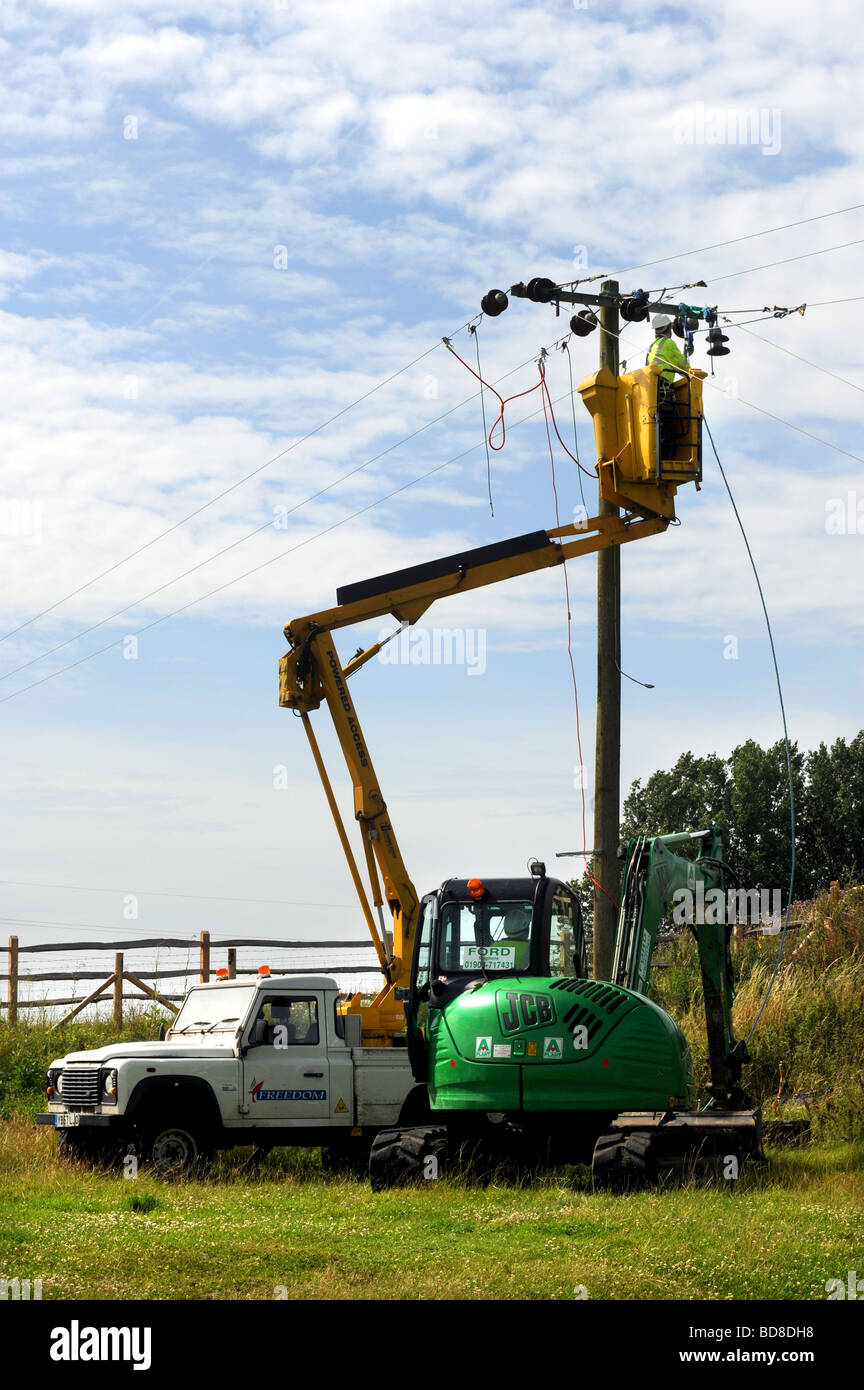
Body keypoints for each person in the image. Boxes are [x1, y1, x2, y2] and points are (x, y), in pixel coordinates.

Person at [647, 314, 689, 456]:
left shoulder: (652, 346)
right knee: (670, 422)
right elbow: (683, 367)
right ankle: (667, 454)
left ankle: (657, 451)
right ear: (669, 329)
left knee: (658, 423)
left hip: (651, 389)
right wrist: (691, 375)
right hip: (663, 390)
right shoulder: (669, 343)